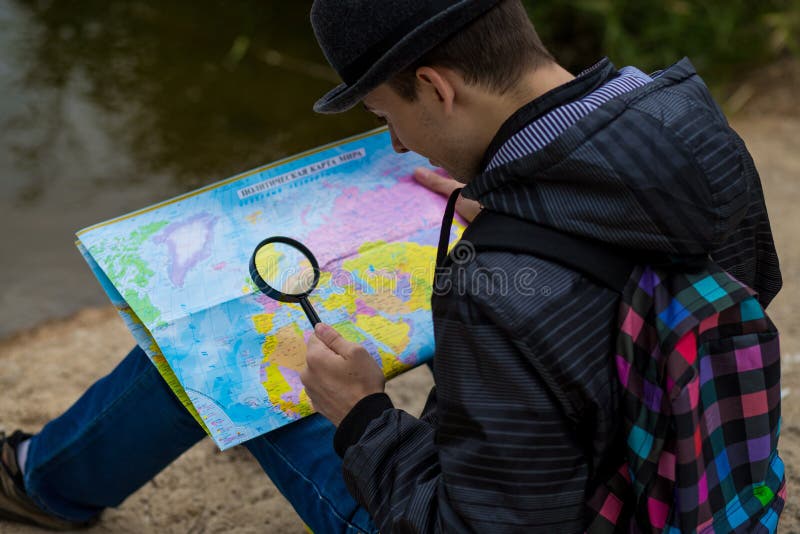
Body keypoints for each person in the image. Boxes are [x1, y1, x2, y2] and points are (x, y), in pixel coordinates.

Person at [1, 0, 784, 532]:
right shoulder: (694, 129)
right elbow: (701, 286)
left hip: (559, 507)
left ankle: (42, 483)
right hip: (670, 469)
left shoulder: (492, 288)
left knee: (226, 334)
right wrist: (530, 205)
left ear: (436, 87)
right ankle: (48, 475)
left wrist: (365, 417)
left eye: (387, 117)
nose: (400, 147)